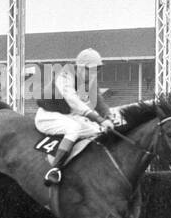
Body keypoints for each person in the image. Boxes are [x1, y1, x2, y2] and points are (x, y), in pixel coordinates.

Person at [35, 48, 113, 184]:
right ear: (80, 67)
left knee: (97, 131)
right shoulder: (65, 75)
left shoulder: (90, 80)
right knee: (74, 127)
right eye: (90, 69)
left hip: (67, 116)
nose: (94, 73)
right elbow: (73, 101)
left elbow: (99, 101)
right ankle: (55, 169)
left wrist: (108, 117)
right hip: (47, 116)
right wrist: (99, 119)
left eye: (97, 69)